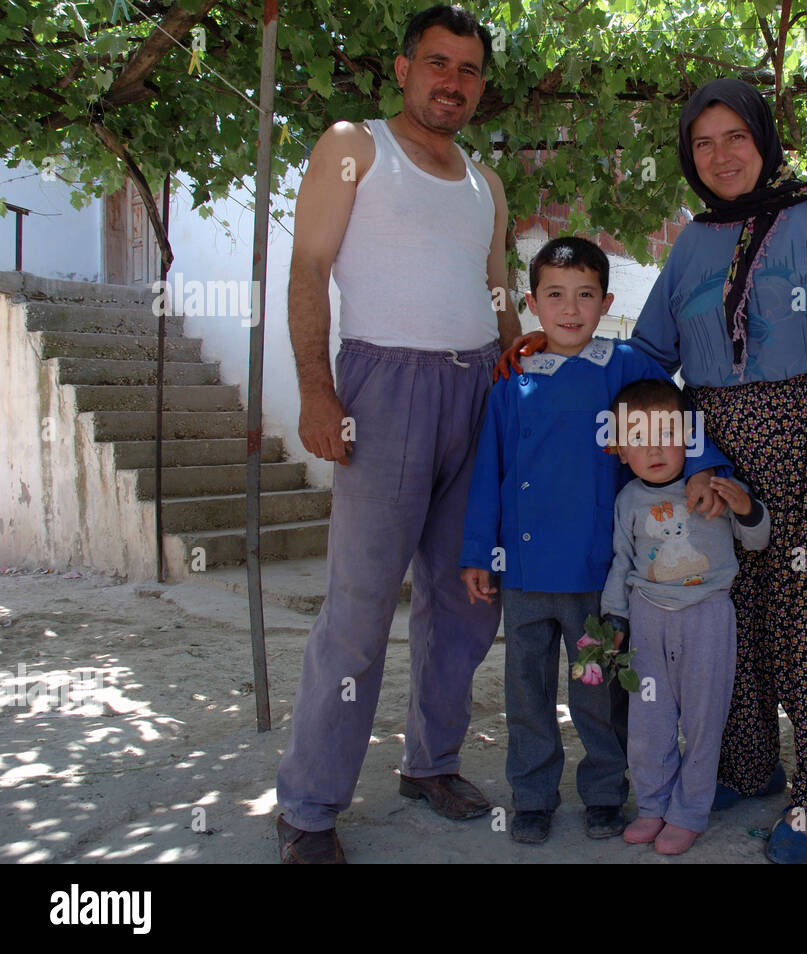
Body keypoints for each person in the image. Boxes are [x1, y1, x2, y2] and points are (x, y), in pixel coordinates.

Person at [499, 78, 807, 863]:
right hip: (718, 457)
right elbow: (647, 356)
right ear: (689, 156)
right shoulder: (693, 241)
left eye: (736, 137)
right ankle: (747, 763)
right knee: (736, 617)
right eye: (703, 142)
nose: (721, 155)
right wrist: (561, 353)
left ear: (762, 140)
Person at [275, 5, 521, 864]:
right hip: (383, 389)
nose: (453, 82)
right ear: (403, 67)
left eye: (469, 71)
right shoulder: (353, 146)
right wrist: (317, 389)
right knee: (359, 611)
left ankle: (432, 764)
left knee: (463, 602)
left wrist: (516, 373)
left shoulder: (485, 183)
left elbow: (497, 293)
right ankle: (308, 808)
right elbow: (308, 268)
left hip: (478, 393)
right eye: (438, 63)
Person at [458, 237, 733, 845]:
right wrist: (479, 551)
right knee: (527, 694)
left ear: (607, 301)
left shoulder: (627, 365)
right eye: (554, 295)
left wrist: (708, 467)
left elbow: (675, 420)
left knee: (600, 696)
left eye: (585, 295)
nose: (571, 309)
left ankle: (606, 792)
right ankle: (531, 796)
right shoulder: (511, 385)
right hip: (525, 570)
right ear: (532, 304)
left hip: (599, 571)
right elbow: (488, 476)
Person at [600, 378, 770, 855]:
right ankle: (652, 806)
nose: (653, 449)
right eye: (638, 437)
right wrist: (613, 619)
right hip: (648, 619)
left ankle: (690, 811)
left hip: (708, 617)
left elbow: (757, 540)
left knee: (702, 720)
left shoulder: (716, 487)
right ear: (619, 448)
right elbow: (622, 562)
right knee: (648, 720)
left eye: (665, 435)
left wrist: (749, 507)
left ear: (690, 439)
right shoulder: (628, 500)